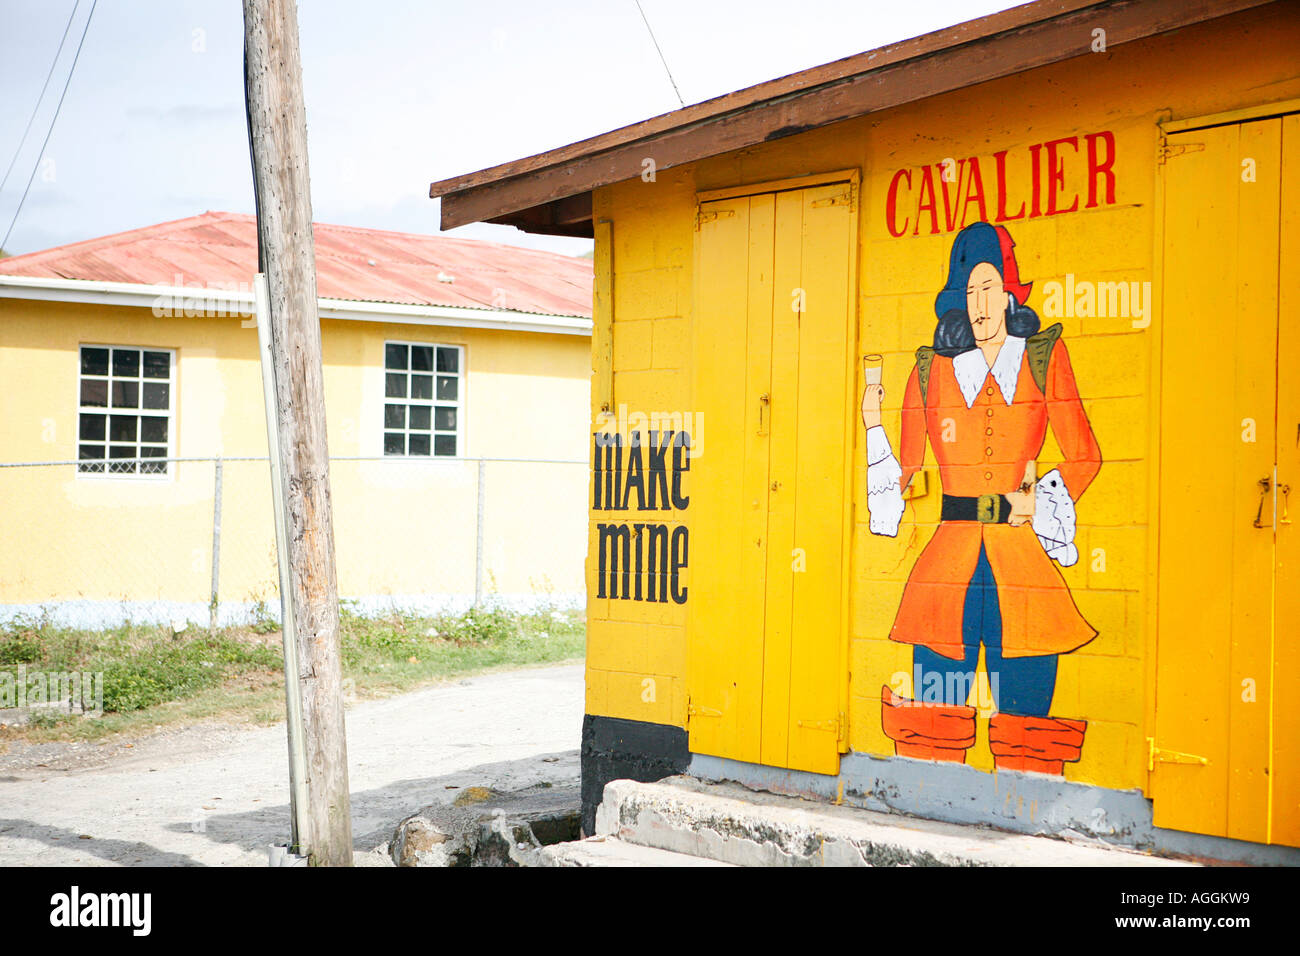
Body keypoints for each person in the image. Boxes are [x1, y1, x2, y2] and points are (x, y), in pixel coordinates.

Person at [861, 221, 1102, 775]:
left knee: (1031, 732)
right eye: (968, 290)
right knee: (932, 724)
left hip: (1026, 572)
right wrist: (874, 428)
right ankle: (928, 807)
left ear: (1011, 292)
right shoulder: (929, 371)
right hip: (945, 575)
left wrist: (1038, 500)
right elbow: (902, 479)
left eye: (989, 285)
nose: (979, 302)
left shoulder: (1044, 358)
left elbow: (1085, 455)